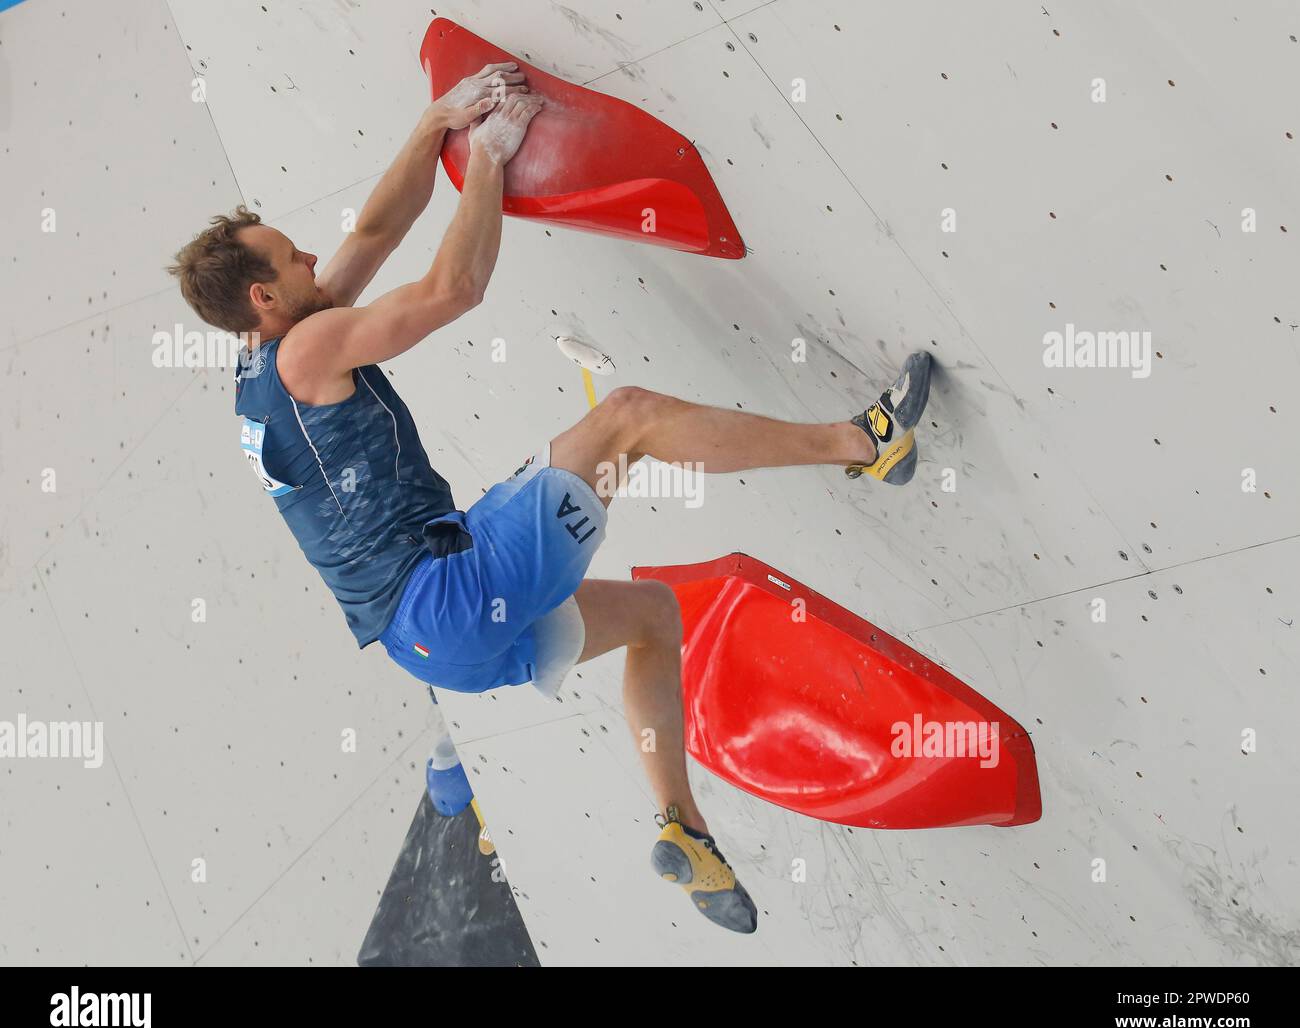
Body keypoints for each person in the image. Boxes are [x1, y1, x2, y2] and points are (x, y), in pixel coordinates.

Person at [168, 63, 932, 934]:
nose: (311, 254)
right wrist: (489, 154)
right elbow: (452, 290)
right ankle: (863, 445)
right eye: (292, 256)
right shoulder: (308, 353)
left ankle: (684, 829)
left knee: (650, 617)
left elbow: (376, 231)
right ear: (265, 296)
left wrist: (434, 126)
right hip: (445, 590)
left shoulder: (266, 365)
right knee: (628, 418)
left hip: (428, 649)